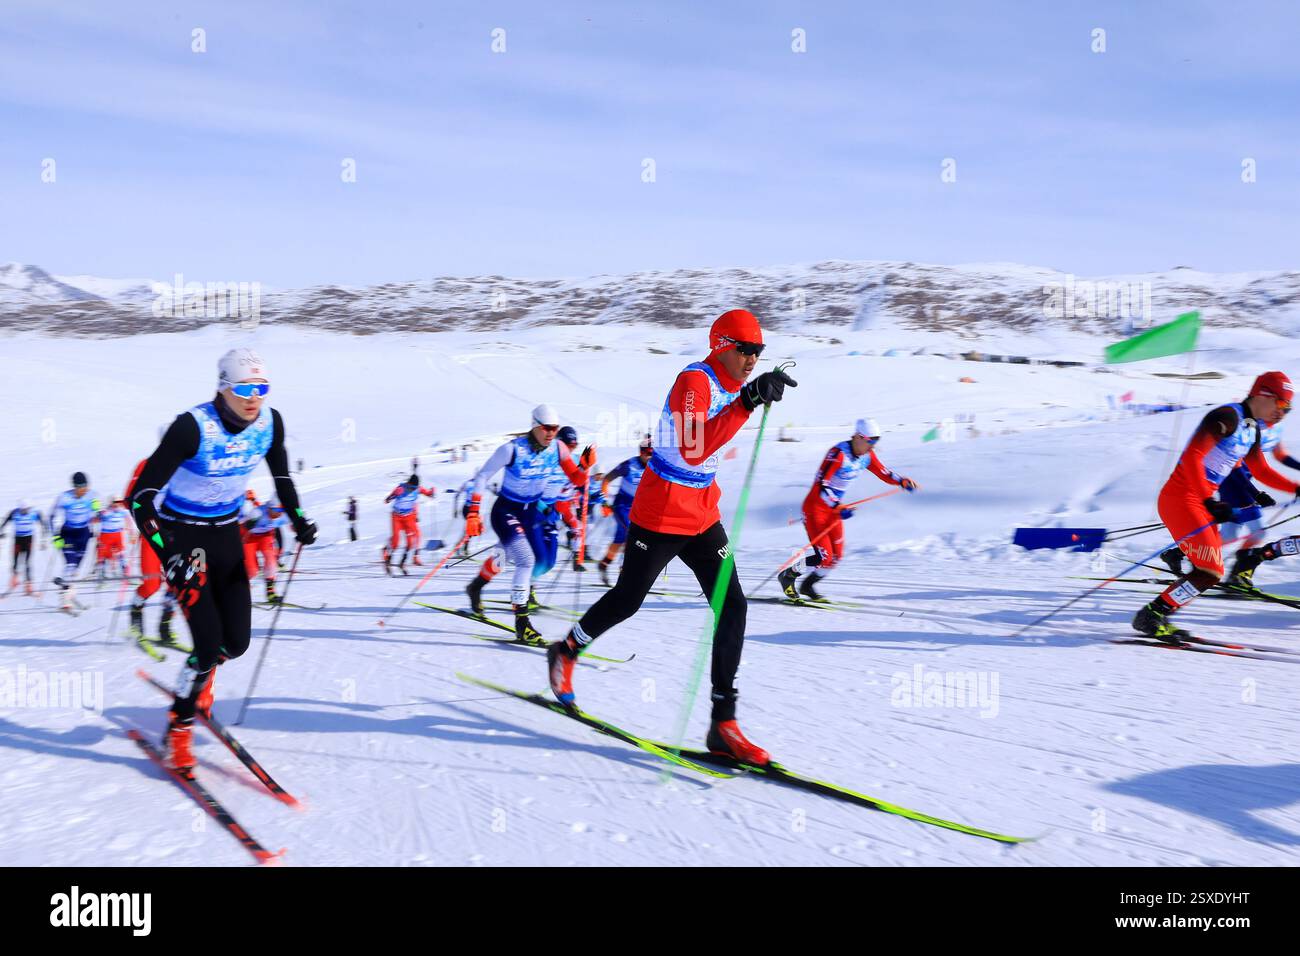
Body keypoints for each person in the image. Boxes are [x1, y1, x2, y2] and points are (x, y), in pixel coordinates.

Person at [546, 309, 796, 764]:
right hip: (661, 511)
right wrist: (747, 402)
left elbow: (713, 444)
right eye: (746, 350)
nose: (752, 360)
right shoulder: (694, 381)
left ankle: (724, 724)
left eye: (759, 353)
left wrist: (754, 394)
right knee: (627, 600)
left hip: (701, 514)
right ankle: (566, 650)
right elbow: (691, 446)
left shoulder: (734, 382)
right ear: (723, 345)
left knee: (733, 605)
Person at [127, 348, 317, 775]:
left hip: (227, 535)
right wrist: (166, 551)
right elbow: (140, 499)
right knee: (208, 643)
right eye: (245, 388)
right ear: (223, 387)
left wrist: (299, 518)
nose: (254, 398)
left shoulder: (270, 423)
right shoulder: (191, 428)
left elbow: (281, 477)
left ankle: (203, 677)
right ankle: (179, 728)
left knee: (236, 644)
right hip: (184, 538)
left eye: (262, 388)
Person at [1133, 371, 1298, 642]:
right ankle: (1152, 615)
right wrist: (1209, 500)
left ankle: (1153, 615)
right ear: (1263, 394)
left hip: (1198, 500)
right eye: (1282, 405)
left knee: (1210, 572)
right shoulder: (1227, 417)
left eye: (1288, 409)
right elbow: (1193, 457)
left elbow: (1261, 469)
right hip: (1181, 497)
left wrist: (1295, 488)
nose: (1283, 413)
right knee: (1210, 570)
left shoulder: (1252, 428)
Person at [462, 404, 594, 642]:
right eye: (547, 428)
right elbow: (482, 476)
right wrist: (473, 512)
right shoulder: (512, 449)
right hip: (506, 510)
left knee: (505, 555)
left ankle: (476, 586)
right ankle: (522, 622)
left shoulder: (558, 448)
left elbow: (576, 479)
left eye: (555, 428)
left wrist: (584, 466)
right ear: (535, 426)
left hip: (531, 512)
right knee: (526, 559)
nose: (551, 433)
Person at [778, 418, 919, 601]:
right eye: (871, 442)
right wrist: (836, 505)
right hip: (815, 509)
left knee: (836, 557)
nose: (872, 447)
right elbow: (822, 485)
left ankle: (807, 586)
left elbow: (883, 472)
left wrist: (901, 480)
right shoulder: (838, 454)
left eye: (875, 442)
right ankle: (788, 576)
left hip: (834, 510)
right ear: (859, 437)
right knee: (825, 557)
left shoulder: (867, 455)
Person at [594, 437, 653, 586]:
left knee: (619, 540)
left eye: (653, 453)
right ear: (641, 452)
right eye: (647, 453)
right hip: (622, 506)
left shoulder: (655, 467)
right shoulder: (629, 465)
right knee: (632, 535)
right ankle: (625, 573)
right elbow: (606, 479)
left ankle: (603, 564)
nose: (650, 456)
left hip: (639, 508)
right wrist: (604, 502)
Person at [49, 472, 101, 610]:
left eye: (85, 486)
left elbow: (98, 514)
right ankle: (64, 599)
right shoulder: (64, 497)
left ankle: (67, 587)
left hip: (83, 533)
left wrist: (97, 511)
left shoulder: (92, 495)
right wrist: (55, 536)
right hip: (68, 533)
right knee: (70, 564)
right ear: (74, 486)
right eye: (80, 487)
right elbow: (52, 516)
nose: (83, 490)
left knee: (76, 568)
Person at [383, 475, 435, 573]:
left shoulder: (417, 488)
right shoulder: (400, 489)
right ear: (408, 484)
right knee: (396, 541)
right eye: (411, 488)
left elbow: (428, 493)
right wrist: (391, 497)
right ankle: (388, 559)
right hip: (397, 517)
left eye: (414, 488)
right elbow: (387, 500)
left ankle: (402, 563)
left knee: (411, 542)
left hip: (409, 517)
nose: (412, 490)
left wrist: (431, 492)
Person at [243, 498, 290, 603]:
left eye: (281, 511)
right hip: (249, 537)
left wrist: (303, 522)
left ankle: (271, 593)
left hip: (266, 536)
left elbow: (297, 512)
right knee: (252, 570)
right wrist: (248, 524)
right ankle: (241, 591)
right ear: (269, 508)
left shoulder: (282, 516)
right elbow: (241, 524)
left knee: (271, 563)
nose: (278, 515)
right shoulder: (257, 512)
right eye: (276, 511)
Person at [1, 500, 42, 595]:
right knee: (15, 561)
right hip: (18, 540)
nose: (24, 511)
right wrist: (1, 532)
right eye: (22, 510)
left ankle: (28, 584)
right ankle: (15, 578)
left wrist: (44, 538)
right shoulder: (14, 513)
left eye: (26, 509)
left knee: (27, 562)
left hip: (28, 540)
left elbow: (42, 522)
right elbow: (5, 522)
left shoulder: (34, 513)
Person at [93, 496, 131, 582]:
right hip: (106, 535)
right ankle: (101, 574)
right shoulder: (106, 512)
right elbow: (95, 520)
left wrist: (131, 533)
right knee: (103, 554)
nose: (117, 504)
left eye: (119, 502)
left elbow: (130, 519)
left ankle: (125, 572)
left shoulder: (123, 511)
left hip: (118, 535)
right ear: (111, 503)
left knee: (121, 553)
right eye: (115, 502)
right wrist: (97, 515)